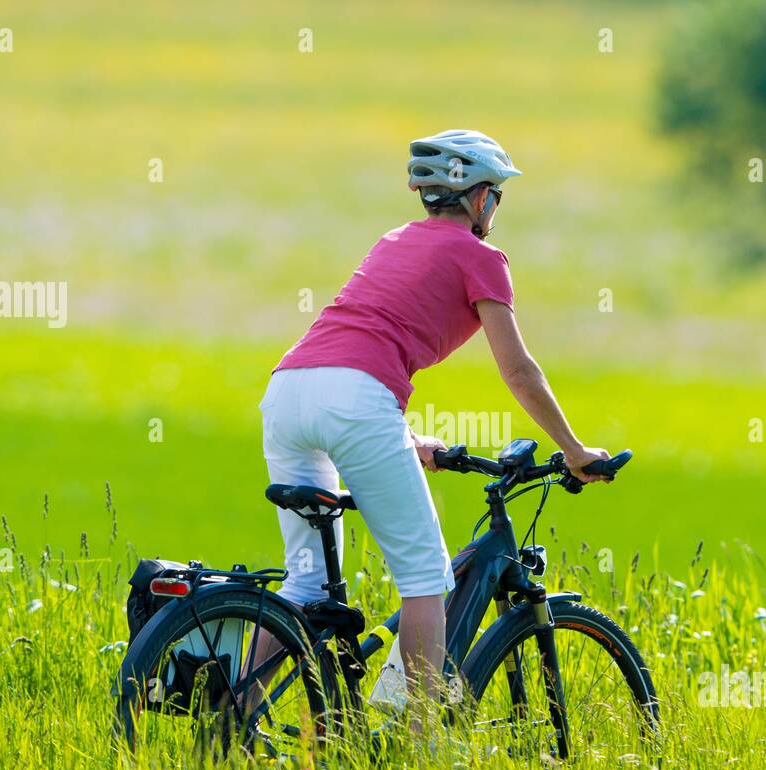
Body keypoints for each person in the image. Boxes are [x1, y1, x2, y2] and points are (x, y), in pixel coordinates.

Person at [257, 129, 610, 718]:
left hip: (288, 391)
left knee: (305, 583)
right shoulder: (482, 257)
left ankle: (234, 720)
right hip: (357, 400)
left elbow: (360, 340)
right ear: (478, 199)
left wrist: (406, 439)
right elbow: (519, 370)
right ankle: (418, 746)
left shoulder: (394, 240)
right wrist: (573, 449)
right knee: (425, 581)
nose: (496, 207)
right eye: (496, 194)